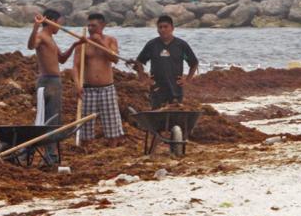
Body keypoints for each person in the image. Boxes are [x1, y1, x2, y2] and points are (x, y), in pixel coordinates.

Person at [65, 13, 125, 146]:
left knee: (112, 126)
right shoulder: (82, 44)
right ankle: (85, 151)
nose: (91, 28)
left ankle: (112, 149)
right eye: (89, 25)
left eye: (94, 25)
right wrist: (77, 84)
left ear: (103, 26)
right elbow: (75, 66)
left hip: (107, 88)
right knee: (85, 128)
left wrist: (99, 42)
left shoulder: (110, 40)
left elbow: (114, 59)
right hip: (88, 88)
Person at [26, 9, 72, 165]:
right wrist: (35, 27)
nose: (60, 26)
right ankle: (47, 156)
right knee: (46, 120)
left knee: (53, 119)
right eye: (59, 23)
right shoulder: (41, 36)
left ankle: (47, 155)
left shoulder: (51, 39)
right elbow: (31, 46)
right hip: (47, 82)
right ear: (51, 21)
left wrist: (76, 45)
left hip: (55, 82)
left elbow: (62, 60)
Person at [135, 15, 199, 109]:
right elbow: (139, 61)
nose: (163, 29)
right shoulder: (152, 45)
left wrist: (187, 80)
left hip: (175, 90)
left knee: (175, 117)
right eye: (160, 27)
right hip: (157, 90)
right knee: (157, 117)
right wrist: (144, 78)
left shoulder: (181, 45)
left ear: (172, 28)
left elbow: (194, 63)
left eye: (165, 27)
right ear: (157, 29)